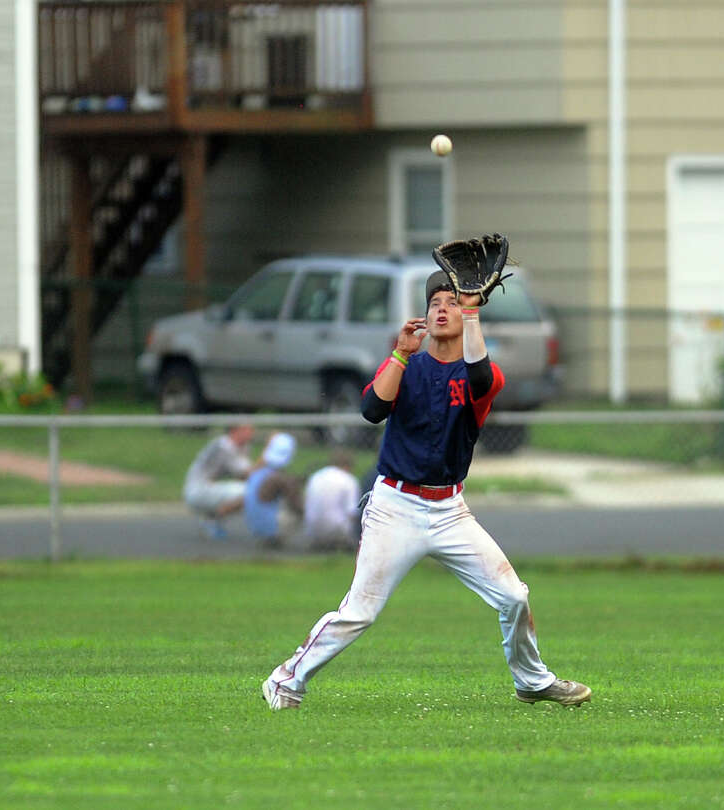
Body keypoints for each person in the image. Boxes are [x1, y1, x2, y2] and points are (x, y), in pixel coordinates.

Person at [261, 269, 591, 710]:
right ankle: (285, 680)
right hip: (394, 506)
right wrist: (399, 352)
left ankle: (531, 681)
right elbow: (371, 409)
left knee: (513, 596)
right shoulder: (407, 365)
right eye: (435, 302)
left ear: (468, 313)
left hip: (450, 510)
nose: (442, 308)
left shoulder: (482, 374)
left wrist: (472, 314)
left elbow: (480, 378)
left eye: (452, 302)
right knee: (359, 612)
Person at [183, 423, 256, 540]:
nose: (251, 433)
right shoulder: (225, 447)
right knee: (251, 492)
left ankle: (212, 518)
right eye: (247, 430)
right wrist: (267, 458)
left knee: (251, 490)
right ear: (234, 431)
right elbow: (249, 474)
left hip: (208, 487)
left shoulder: (240, 446)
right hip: (197, 490)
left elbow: (245, 476)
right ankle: (212, 519)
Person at [243, 433, 303, 549]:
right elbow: (297, 506)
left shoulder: (257, 473)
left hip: (253, 525)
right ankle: (274, 538)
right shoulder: (281, 478)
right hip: (269, 528)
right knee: (297, 510)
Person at [303, 450, 361, 552]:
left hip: (312, 529)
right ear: (348, 466)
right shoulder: (349, 480)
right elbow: (352, 512)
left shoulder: (316, 476)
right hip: (337, 531)